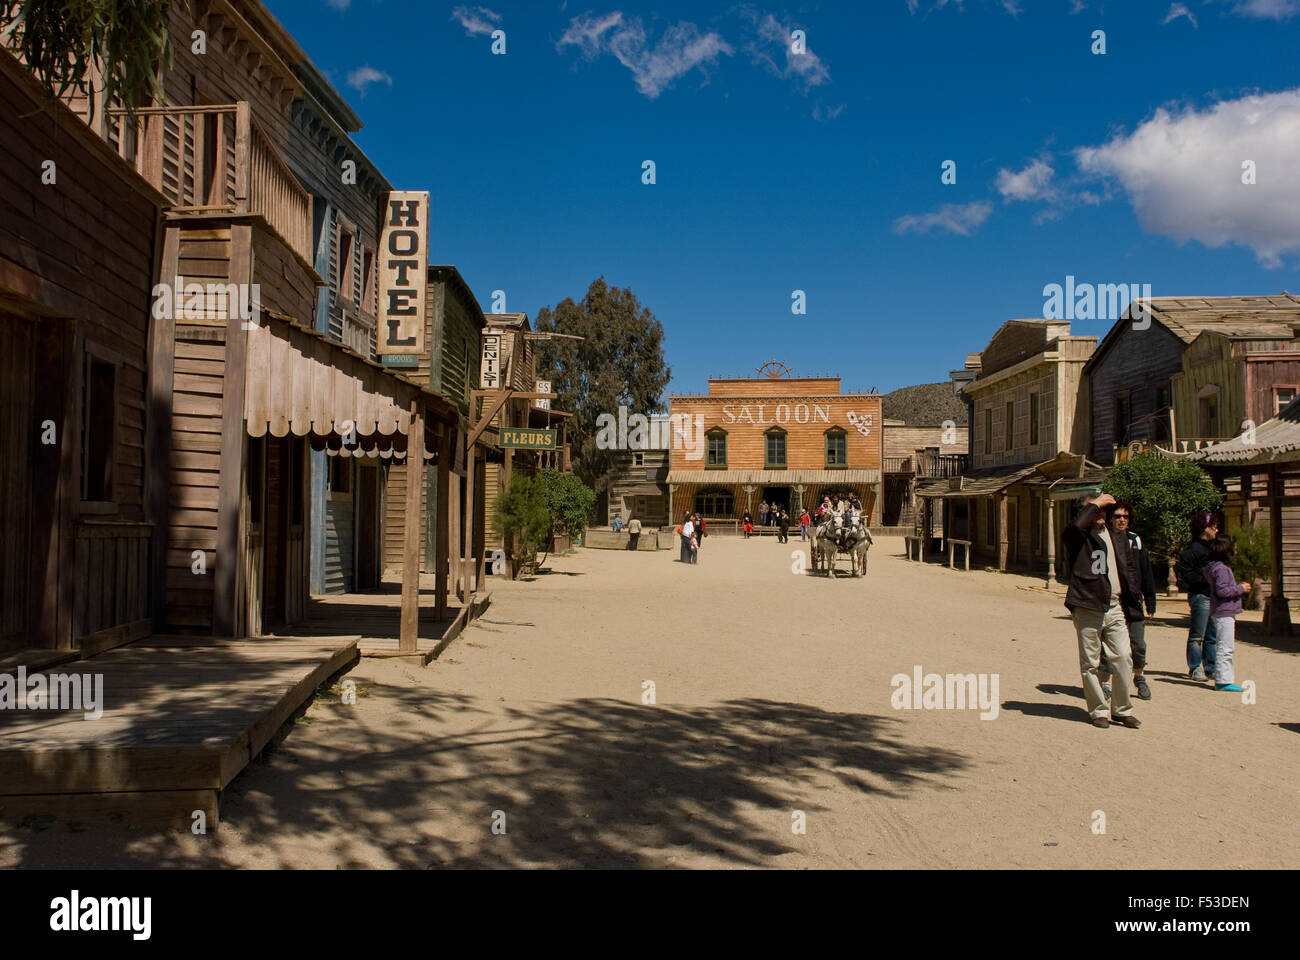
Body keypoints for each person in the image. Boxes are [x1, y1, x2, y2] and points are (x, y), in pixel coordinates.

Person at [1062, 492, 1141, 729]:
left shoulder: (1116, 536)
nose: (1101, 515)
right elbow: (1075, 527)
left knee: (1123, 658)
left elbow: (1128, 570)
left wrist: (1135, 602)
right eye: (1096, 511)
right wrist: (1095, 503)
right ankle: (1098, 710)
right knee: (1091, 663)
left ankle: (1121, 709)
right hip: (1088, 605)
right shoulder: (1078, 537)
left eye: (1103, 511)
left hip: (1114, 606)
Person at [1098, 501, 1157, 700]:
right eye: (1117, 516)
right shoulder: (1104, 540)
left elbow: (1146, 571)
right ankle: (1105, 682)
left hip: (1134, 600)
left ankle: (1139, 676)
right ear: (1110, 519)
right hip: (1112, 600)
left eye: (1125, 516)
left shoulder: (1135, 541)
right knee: (1108, 646)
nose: (1122, 520)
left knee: (1138, 643)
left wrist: (1150, 599)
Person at [1204, 535, 1250, 692]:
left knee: (1224, 645)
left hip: (1220, 611)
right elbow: (1222, 590)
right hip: (1224, 611)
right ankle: (1223, 680)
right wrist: (1240, 589)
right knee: (1225, 646)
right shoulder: (1222, 569)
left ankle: (1224, 678)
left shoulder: (1214, 567)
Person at [1178, 513, 1220, 682]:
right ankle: (1195, 667)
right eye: (1214, 526)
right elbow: (1187, 575)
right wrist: (1208, 581)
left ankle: (1211, 667)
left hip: (1215, 597)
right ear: (1205, 528)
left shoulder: (1215, 549)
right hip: (1200, 596)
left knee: (1212, 635)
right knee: (1197, 635)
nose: (1217, 530)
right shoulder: (1191, 550)